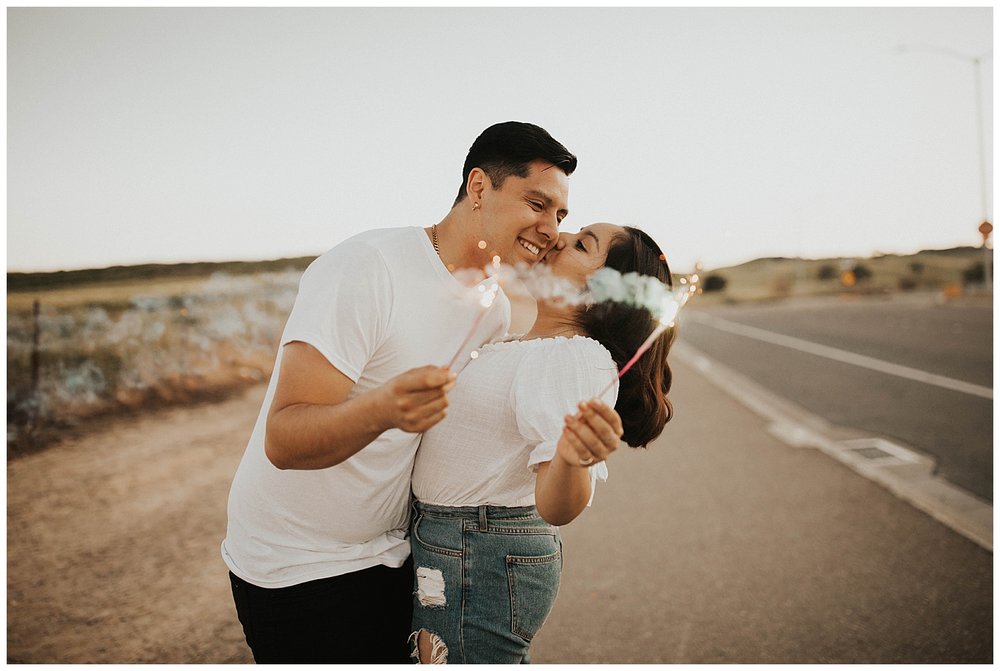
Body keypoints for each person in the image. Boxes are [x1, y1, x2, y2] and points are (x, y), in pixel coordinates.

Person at [220, 122, 624, 663]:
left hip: (401, 557)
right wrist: (382, 409)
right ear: (479, 187)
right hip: (299, 566)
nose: (550, 229)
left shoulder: (495, 309)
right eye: (537, 203)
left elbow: (559, 353)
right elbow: (285, 439)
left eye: (561, 216)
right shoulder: (369, 267)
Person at [409, 223, 675, 664]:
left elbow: (559, 507)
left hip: (480, 550)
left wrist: (572, 459)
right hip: (457, 543)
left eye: (582, 244)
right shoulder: (521, 345)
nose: (559, 236)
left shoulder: (575, 356)